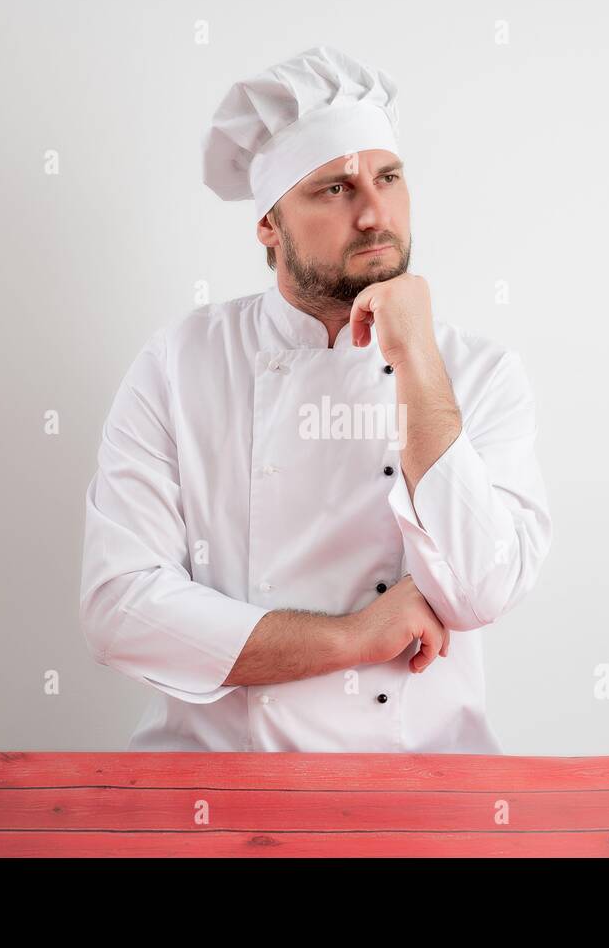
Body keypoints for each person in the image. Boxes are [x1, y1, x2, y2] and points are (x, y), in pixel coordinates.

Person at [79, 45, 553, 753]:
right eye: (334, 188)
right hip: (219, 776)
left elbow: (484, 587)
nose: (374, 214)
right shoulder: (180, 363)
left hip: (424, 778)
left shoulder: (479, 372)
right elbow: (119, 609)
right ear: (269, 226)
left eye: (388, 178)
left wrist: (417, 361)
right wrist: (353, 638)